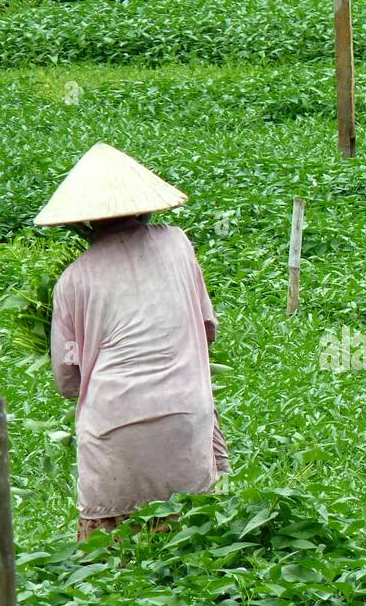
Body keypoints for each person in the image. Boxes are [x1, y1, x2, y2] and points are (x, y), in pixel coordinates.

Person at [35, 142, 230, 540]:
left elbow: (67, 383)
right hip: (184, 417)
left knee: (112, 557)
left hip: (112, 429)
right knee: (194, 540)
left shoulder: (72, 279)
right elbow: (207, 330)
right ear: (146, 208)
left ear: (83, 224)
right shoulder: (178, 243)